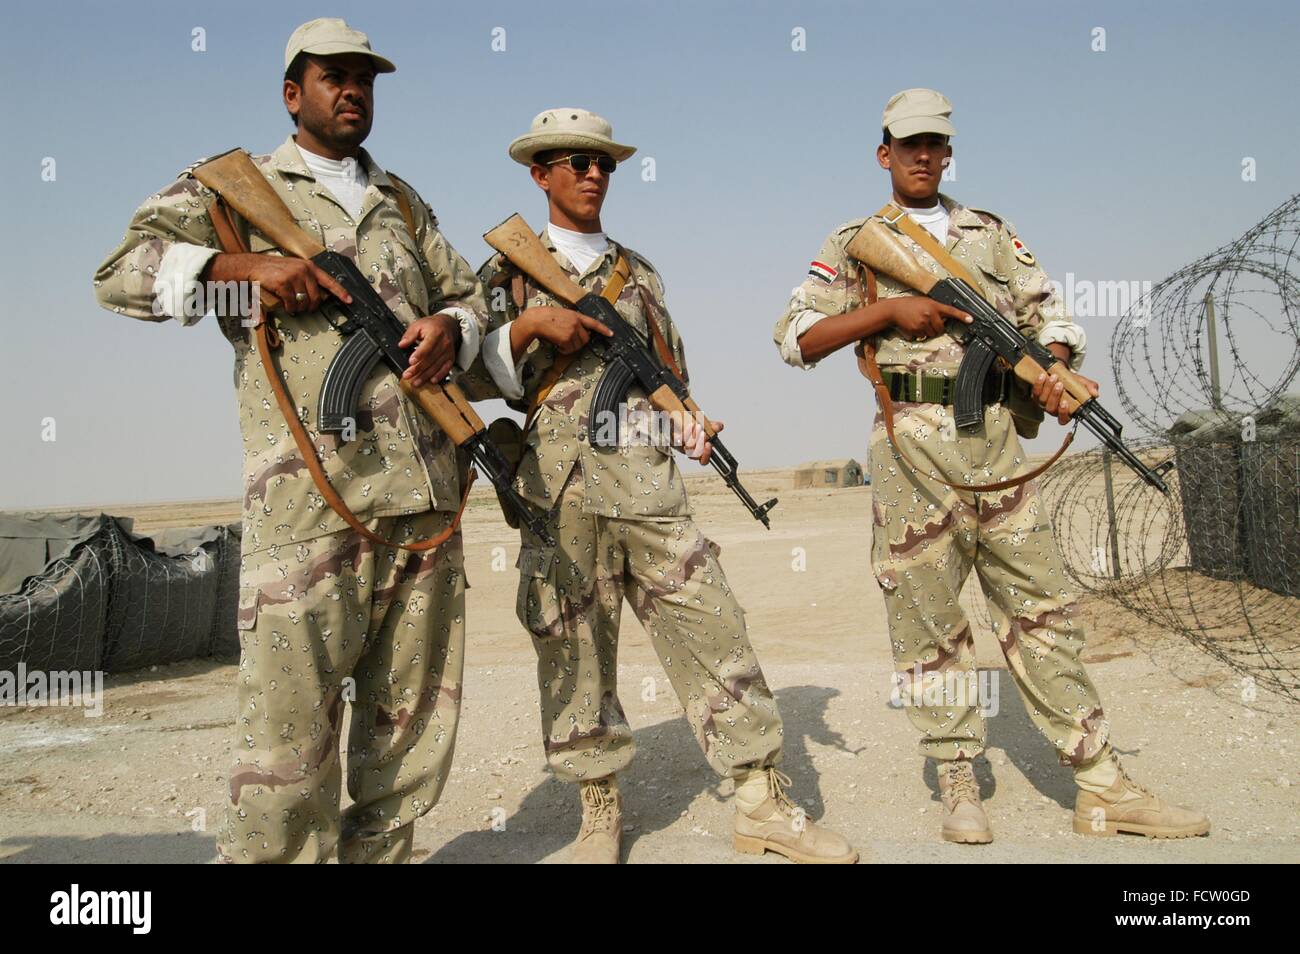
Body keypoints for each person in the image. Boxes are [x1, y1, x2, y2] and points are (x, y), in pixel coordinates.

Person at [93, 18, 489, 863]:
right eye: (333, 76)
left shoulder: (403, 203)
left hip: (423, 507)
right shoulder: (233, 191)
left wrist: (453, 326)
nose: (353, 90)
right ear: (292, 93)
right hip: (308, 507)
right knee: (287, 746)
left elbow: (471, 295)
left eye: (365, 78)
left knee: (409, 730)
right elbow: (121, 274)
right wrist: (246, 270)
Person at [773, 88, 1210, 844]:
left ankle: (1100, 782)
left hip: (998, 445)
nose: (921, 155)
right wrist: (886, 314)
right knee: (928, 621)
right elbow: (797, 337)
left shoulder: (992, 233)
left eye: (934, 144)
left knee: (1042, 610)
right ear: (884, 153)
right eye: (907, 144)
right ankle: (956, 781)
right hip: (907, 446)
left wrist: (1057, 366)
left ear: (948, 152)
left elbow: (1051, 315)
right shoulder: (857, 241)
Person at [467, 108, 857, 864]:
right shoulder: (505, 272)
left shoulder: (638, 273)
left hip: (646, 480)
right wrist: (526, 328)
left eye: (603, 162)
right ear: (539, 174)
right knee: (571, 640)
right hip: (555, 486)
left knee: (712, 623)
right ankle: (597, 811)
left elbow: (667, 375)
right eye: (573, 161)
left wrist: (689, 422)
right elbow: (467, 371)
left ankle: (759, 800)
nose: (591, 173)